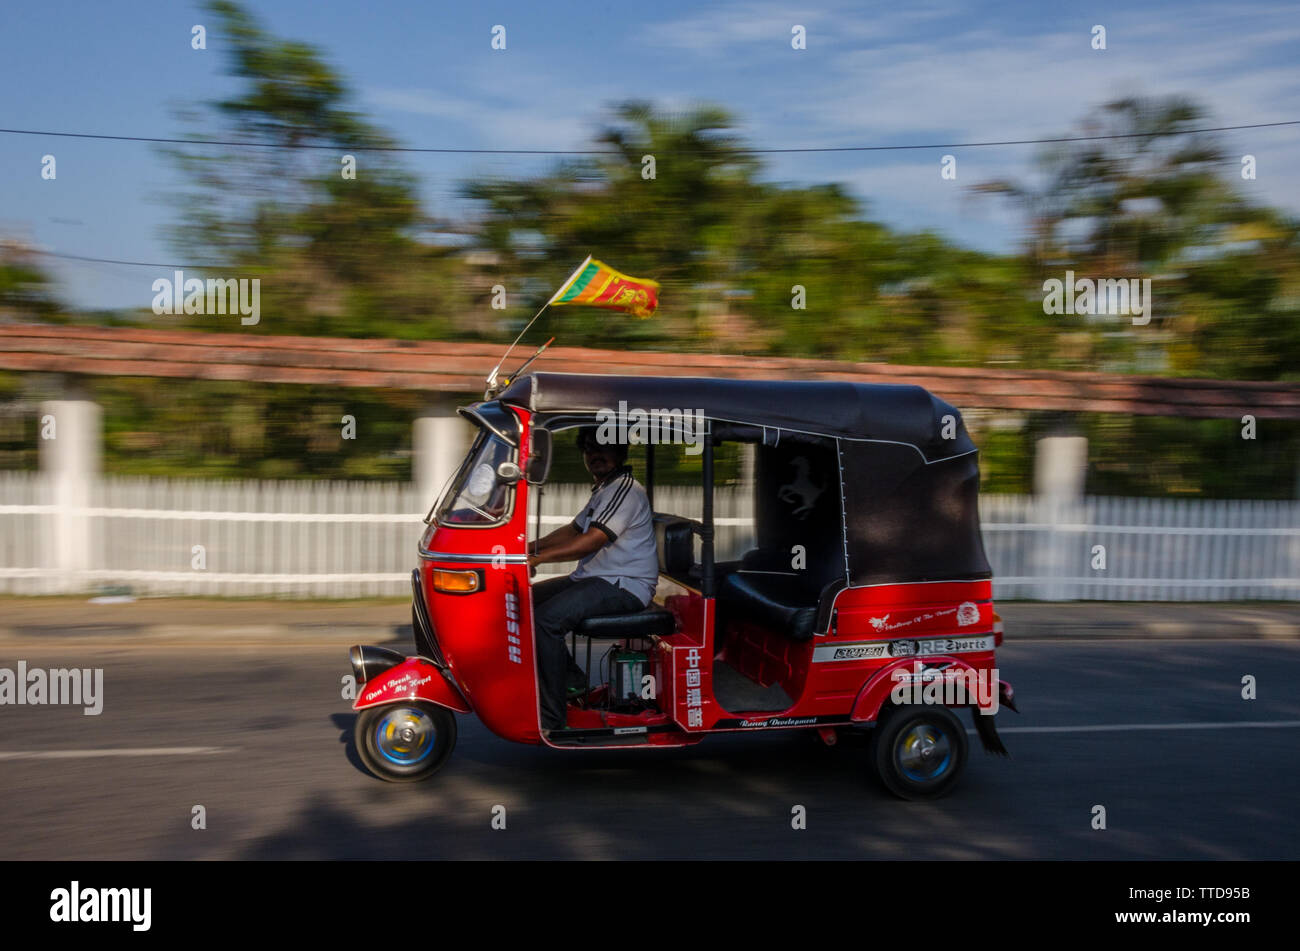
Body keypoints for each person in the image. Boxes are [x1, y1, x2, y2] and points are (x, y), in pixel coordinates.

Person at [528, 427, 659, 732]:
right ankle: (571, 682)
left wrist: (538, 559)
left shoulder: (625, 490)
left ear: (620, 452)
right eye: (588, 449)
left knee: (546, 620)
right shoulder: (604, 490)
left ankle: (553, 717)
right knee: (521, 601)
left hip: (624, 584)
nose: (594, 455)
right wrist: (528, 548)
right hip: (596, 578)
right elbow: (573, 531)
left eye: (603, 447)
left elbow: (591, 541)